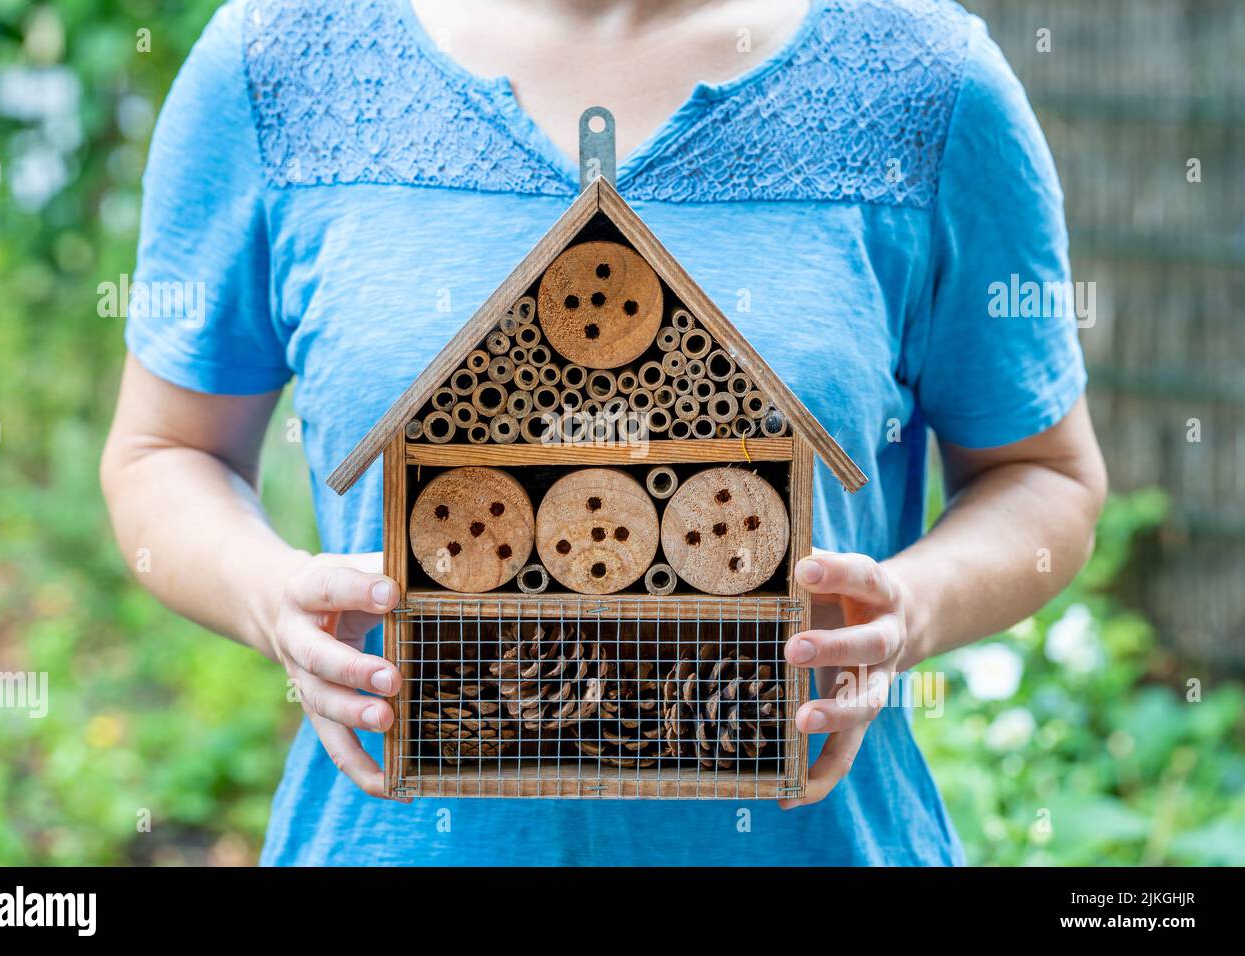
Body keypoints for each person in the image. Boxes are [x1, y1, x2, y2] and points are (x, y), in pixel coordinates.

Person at [101, 0, 1108, 865]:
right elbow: (164, 450)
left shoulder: (927, 80)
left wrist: (910, 610)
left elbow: (1042, 473)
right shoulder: (276, 62)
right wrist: (269, 599)